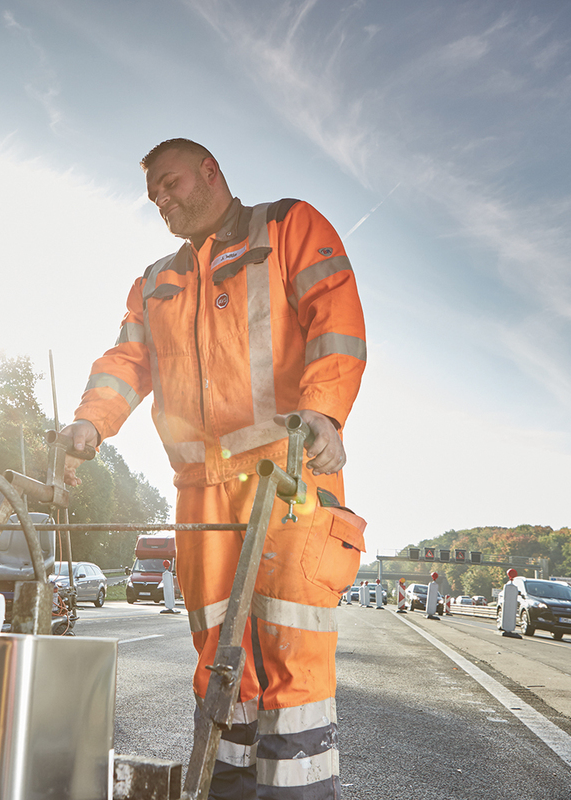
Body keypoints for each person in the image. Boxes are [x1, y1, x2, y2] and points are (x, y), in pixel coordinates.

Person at [61, 139, 367, 800]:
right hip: (200, 494)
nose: (164, 203)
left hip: (289, 481)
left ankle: (298, 793)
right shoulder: (155, 282)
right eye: (154, 199)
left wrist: (324, 412)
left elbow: (334, 322)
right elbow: (126, 362)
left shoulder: (287, 228)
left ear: (211, 171)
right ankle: (226, 788)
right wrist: (90, 422)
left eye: (171, 185)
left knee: (291, 655)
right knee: (219, 664)